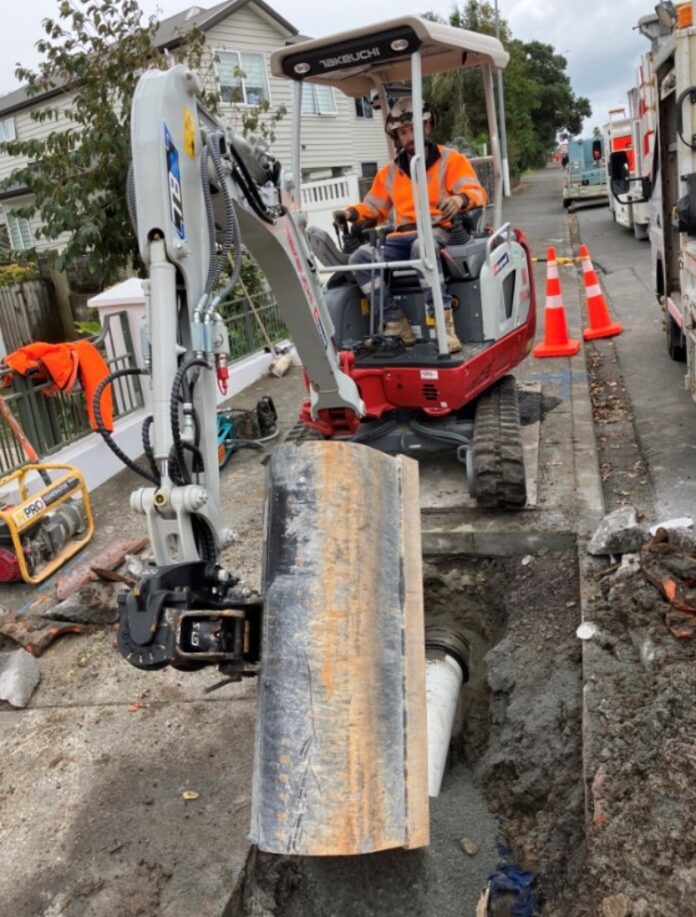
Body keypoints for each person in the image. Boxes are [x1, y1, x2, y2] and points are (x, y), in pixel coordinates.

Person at [332, 97, 487, 353]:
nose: (409, 137)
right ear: (397, 137)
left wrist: (459, 199)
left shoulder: (451, 161)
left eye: (413, 129)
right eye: (403, 132)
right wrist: (350, 213)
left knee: (421, 247)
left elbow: (476, 192)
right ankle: (395, 322)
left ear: (427, 126)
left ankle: (443, 325)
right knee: (360, 257)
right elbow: (374, 208)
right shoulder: (391, 172)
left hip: (439, 231)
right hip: (400, 237)